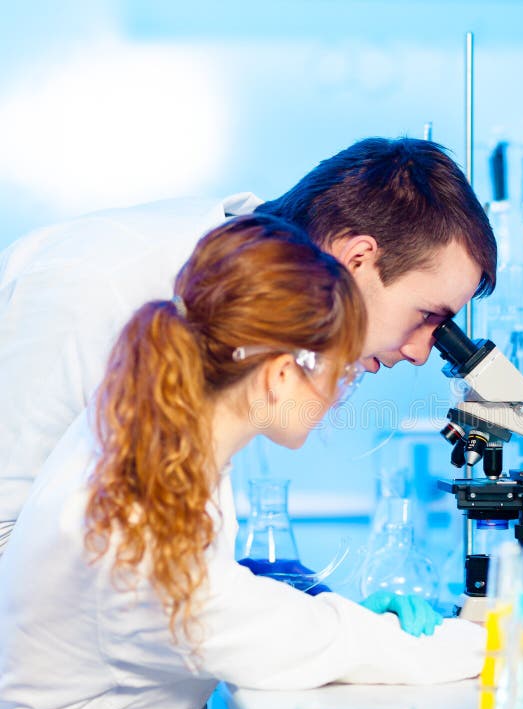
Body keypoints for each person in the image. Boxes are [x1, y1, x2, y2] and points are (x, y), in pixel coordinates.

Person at [0, 216, 484, 709]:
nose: (342, 394)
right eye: (344, 372)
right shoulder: (137, 513)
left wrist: (351, 619)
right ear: (282, 374)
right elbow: (262, 627)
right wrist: (465, 646)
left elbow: (227, 599)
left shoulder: (153, 433)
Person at [0, 136, 497, 552]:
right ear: (358, 259)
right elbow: (9, 534)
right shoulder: (97, 284)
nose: (418, 353)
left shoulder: (255, 330)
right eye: (428, 316)